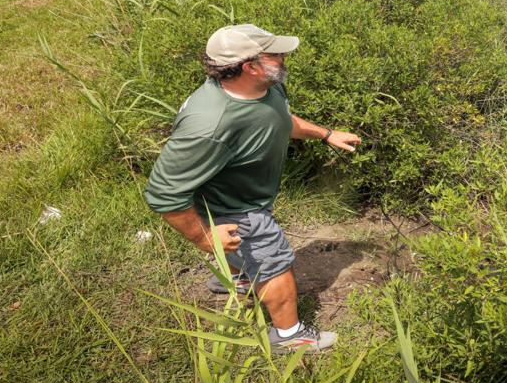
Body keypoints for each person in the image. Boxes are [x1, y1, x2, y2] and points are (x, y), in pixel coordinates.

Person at [142, 23, 362, 353]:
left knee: (246, 253)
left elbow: (281, 120)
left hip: (243, 192)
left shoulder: (264, 87)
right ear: (250, 66)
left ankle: (240, 279)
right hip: (232, 205)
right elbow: (162, 192)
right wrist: (204, 237)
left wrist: (326, 134)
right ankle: (289, 336)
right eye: (276, 54)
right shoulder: (210, 123)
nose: (285, 57)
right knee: (276, 264)